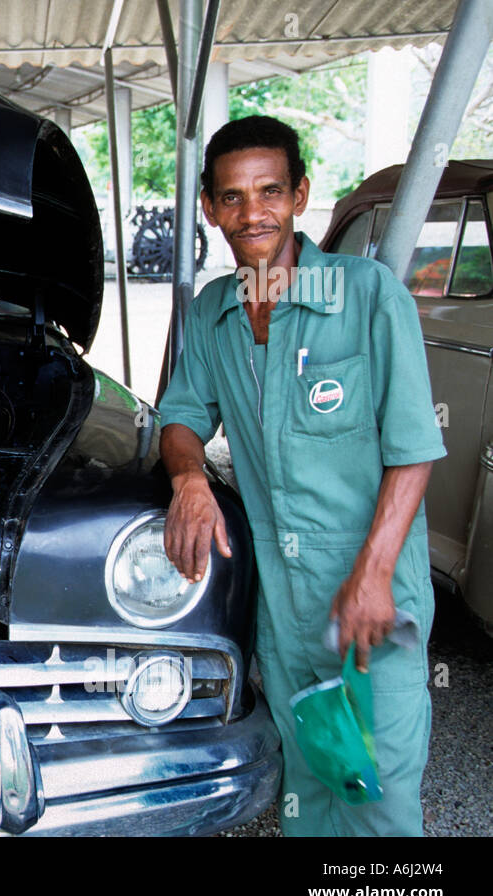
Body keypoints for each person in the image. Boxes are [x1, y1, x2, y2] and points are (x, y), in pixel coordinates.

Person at [158, 115, 445, 836]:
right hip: (284, 620)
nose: (251, 213)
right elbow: (182, 415)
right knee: (309, 797)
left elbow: (414, 447)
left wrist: (375, 572)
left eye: (269, 192)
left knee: (375, 803)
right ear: (209, 207)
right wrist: (188, 478)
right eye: (231, 197)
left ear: (300, 195)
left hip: (372, 609)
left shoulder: (369, 294)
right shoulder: (215, 312)